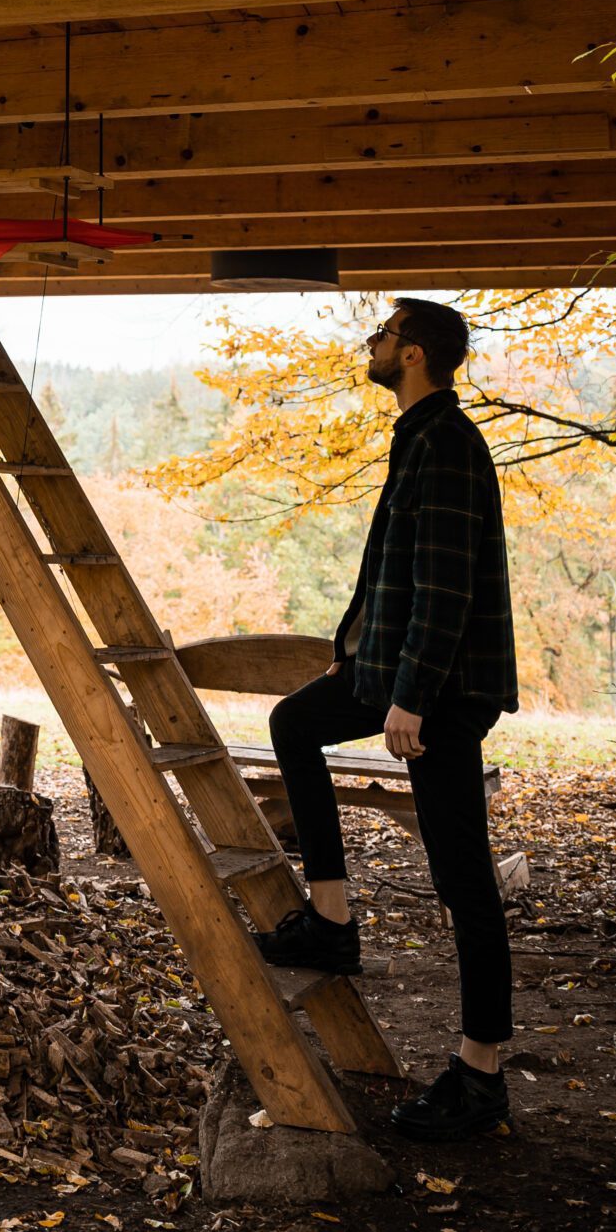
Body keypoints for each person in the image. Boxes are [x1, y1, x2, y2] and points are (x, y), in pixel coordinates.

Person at [253, 297, 518, 1142]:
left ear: (411, 354)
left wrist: (410, 696)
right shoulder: (417, 436)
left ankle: (480, 1074)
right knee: (296, 723)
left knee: (461, 878)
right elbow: (392, 572)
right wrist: (352, 654)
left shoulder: (447, 444)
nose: (369, 342)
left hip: (442, 689)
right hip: (396, 669)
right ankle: (330, 923)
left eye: (382, 333)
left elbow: (444, 587)